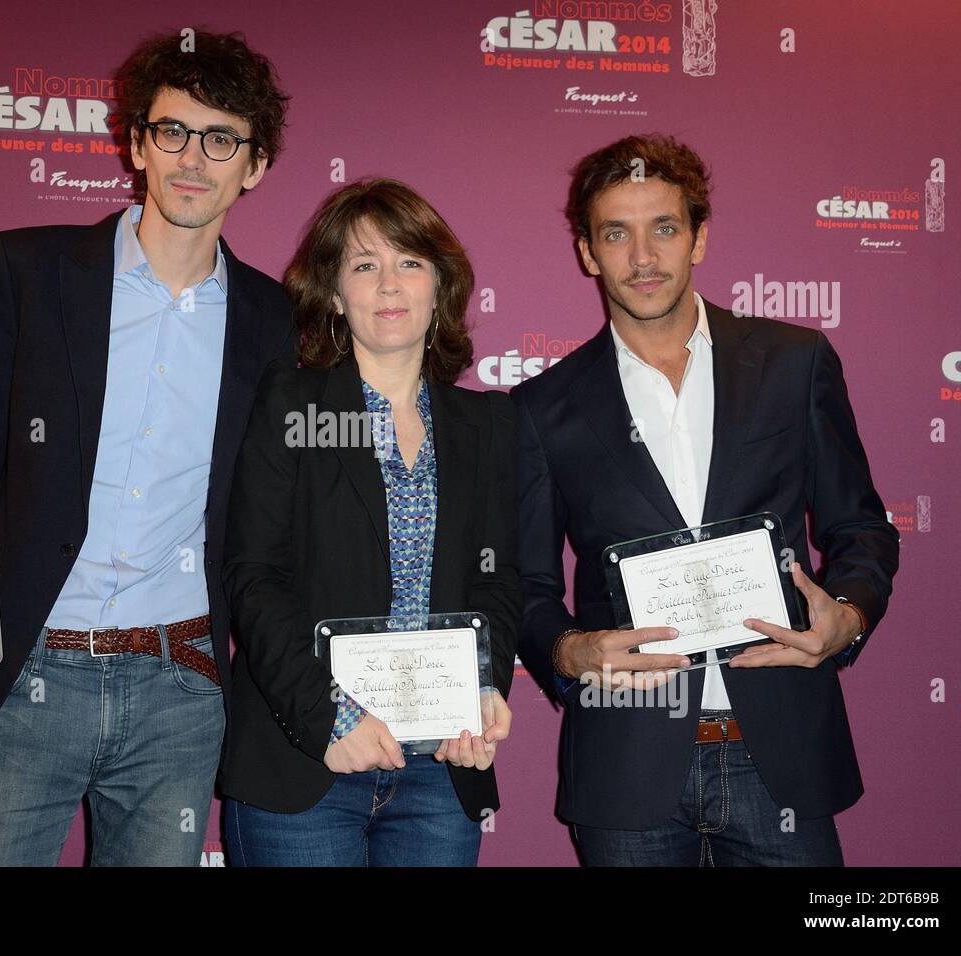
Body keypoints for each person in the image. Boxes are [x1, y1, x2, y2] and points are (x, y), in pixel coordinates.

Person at [0, 30, 294, 866]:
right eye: (172, 132)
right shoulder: (26, 270)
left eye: (222, 139)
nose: (194, 159)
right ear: (136, 144)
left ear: (254, 165)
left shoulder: (278, 323)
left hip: (180, 690)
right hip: (23, 674)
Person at [512, 134, 899, 866]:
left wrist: (845, 618)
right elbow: (524, 586)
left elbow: (862, 527)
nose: (644, 257)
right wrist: (567, 649)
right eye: (616, 234)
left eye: (664, 227)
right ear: (588, 253)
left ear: (699, 237)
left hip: (779, 752)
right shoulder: (544, 407)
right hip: (627, 763)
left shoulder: (793, 362)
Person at [219, 178, 519, 867]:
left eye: (410, 262)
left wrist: (482, 684)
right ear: (333, 292)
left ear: (440, 286)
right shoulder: (291, 405)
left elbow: (499, 581)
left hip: (441, 770)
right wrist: (331, 718)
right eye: (364, 265)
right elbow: (255, 577)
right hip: (307, 762)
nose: (389, 285)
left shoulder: (487, 425)